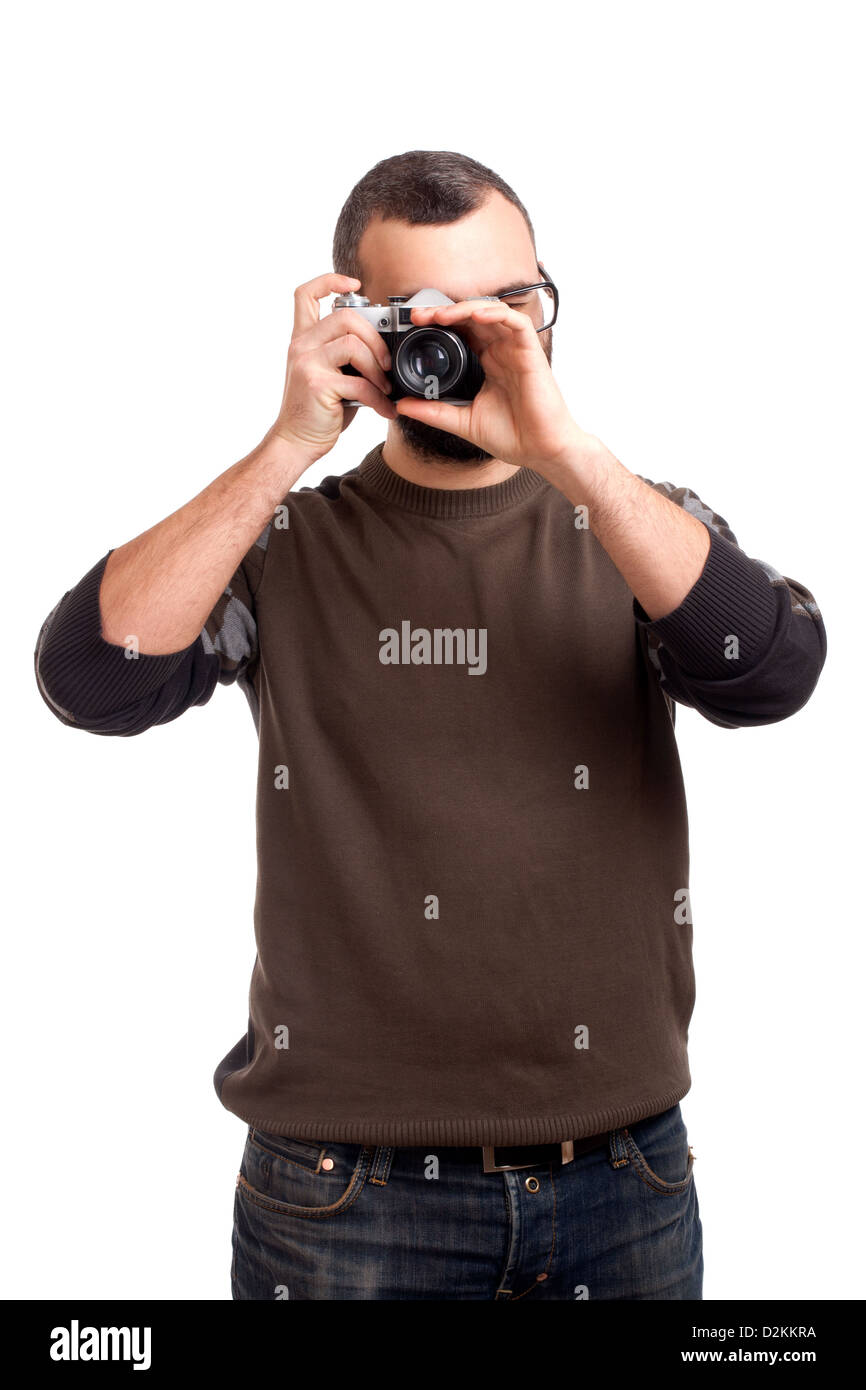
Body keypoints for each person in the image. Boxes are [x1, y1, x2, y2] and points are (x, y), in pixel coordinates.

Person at [34, 149, 827, 1301]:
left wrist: (567, 457)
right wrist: (286, 445)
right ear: (353, 323)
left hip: (623, 1176)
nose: (479, 337)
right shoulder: (281, 548)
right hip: (342, 1194)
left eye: (510, 305)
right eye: (425, 314)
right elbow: (89, 681)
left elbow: (770, 674)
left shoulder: (629, 524)